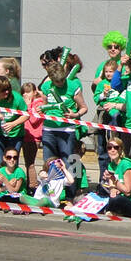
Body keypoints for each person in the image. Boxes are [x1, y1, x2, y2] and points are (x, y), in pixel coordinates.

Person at [38, 53, 88, 195]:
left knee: (69, 161)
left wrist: (75, 115)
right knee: (49, 162)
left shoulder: (72, 85)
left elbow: (84, 107)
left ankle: (72, 194)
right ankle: (50, 194)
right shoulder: (47, 86)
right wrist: (40, 110)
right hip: (49, 129)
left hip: (66, 130)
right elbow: (44, 106)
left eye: (61, 81)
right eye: (57, 82)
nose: (60, 84)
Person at [99, 139, 131, 218]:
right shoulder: (111, 165)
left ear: (121, 149)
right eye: (109, 148)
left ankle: (112, 211)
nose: (112, 150)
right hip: (123, 199)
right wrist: (113, 189)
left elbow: (127, 191)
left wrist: (113, 179)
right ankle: (112, 211)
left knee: (115, 199)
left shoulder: (126, 164)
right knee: (102, 191)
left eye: (116, 147)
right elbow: (112, 188)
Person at [20, 81, 44, 171]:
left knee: (30, 164)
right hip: (25, 135)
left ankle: (32, 184)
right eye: (23, 92)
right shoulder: (23, 103)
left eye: (28, 92)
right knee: (27, 163)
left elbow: (34, 120)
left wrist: (28, 106)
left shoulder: (39, 104)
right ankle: (29, 182)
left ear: (34, 92)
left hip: (34, 137)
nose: (25, 95)